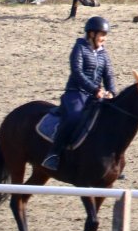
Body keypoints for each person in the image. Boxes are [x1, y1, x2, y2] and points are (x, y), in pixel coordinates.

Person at [42, 16, 117, 171]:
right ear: (91, 34)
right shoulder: (80, 48)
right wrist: (95, 89)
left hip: (95, 95)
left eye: (105, 35)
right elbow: (77, 72)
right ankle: (53, 154)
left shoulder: (103, 53)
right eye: (102, 35)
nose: (104, 38)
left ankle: (112, 161)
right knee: (74, 116)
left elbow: (108, 74)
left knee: (111, 120)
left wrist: (111, 91)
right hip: (76, 93)